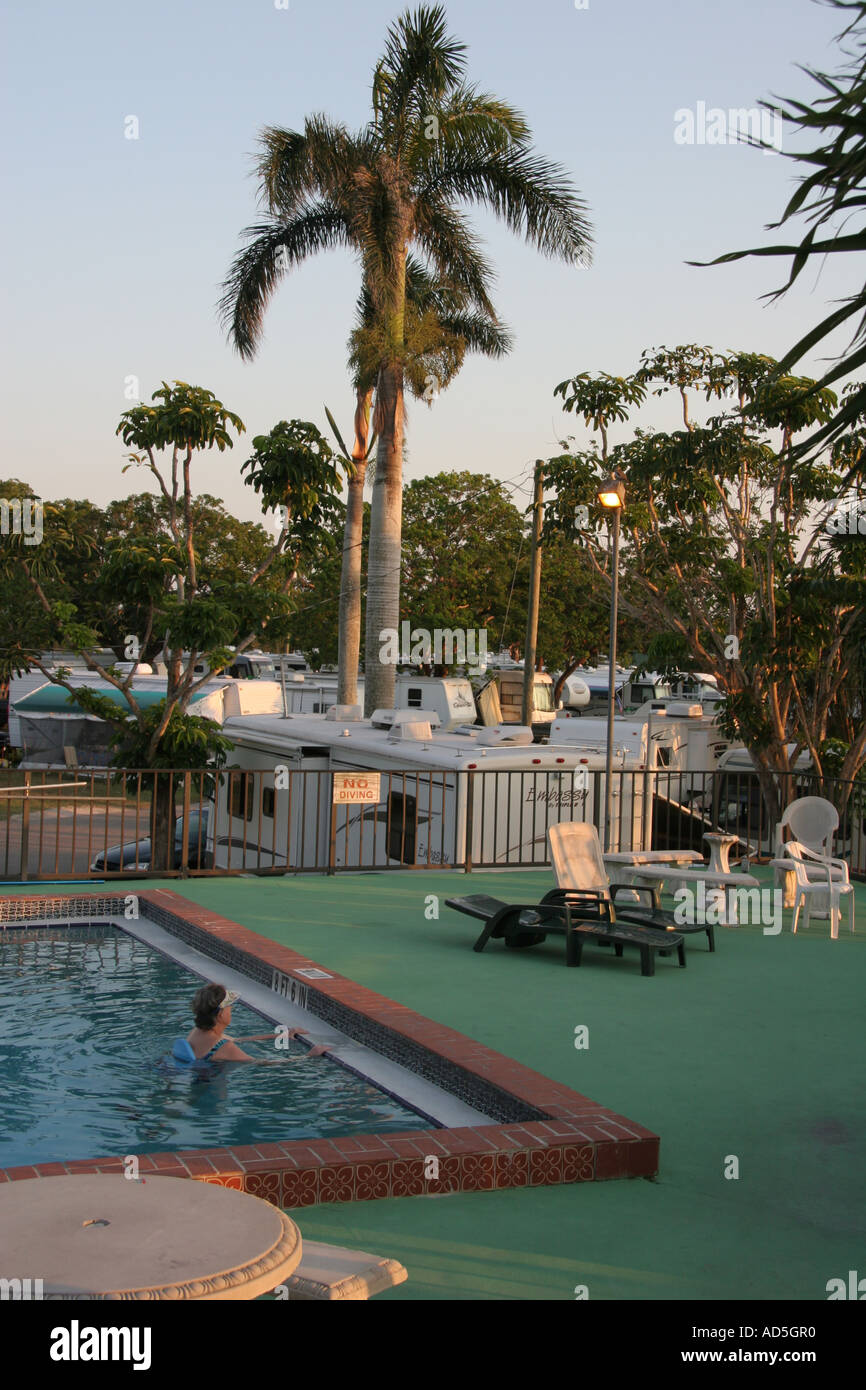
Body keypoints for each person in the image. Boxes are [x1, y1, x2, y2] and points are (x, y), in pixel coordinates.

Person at [183, 983, 330, 1063]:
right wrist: (308, 1056)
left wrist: (281, 1035)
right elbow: (262, 1062)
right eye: (230, 1007)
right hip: (211, 1089)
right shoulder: (225, 1048)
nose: (232, 1009)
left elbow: (238, 1040)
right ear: (221, 1014)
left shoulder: (197, 1032)